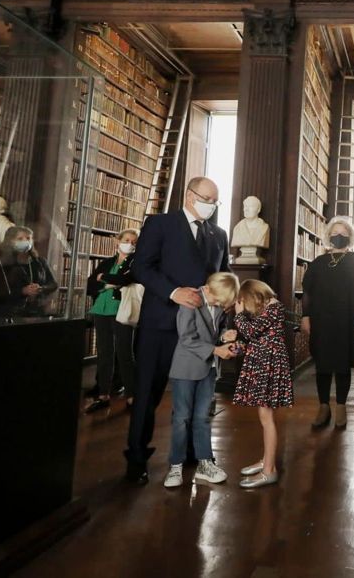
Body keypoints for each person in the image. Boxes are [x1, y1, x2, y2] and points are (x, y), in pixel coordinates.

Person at [127, 176, 230, 485]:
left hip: (199, 330)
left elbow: (224, 275)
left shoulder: (219, 235)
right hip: (160, 323)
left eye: (215, 201)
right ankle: (136, 458)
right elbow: (141, 267)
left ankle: (192, 455)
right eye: (206, 199)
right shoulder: (160, 224)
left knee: (196, 395)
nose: (210, 205)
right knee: (147, 392)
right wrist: (173, 293)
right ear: (189, 196)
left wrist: (227, 306)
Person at [164, 271, 240, 488]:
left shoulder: (218, 300)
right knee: (181, 418)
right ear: (208, 289)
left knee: (202, 418)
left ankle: (205, 463)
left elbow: (219, 327)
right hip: (186, 369)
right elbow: (187, 338)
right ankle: (176, 465)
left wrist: (225, 335)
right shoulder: (191, 301)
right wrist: (216, 349)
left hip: (208, 369)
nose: (218, 305)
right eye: (217, 300)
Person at [300, 216, 354, 429]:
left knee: (342, 366)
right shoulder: (318, 263)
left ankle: (341, 406)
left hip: (347, 319)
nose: (338, 236)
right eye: (335, 233)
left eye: (343, 233)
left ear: (350, 237)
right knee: (322, 365)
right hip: (321, 320)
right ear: (328, 236)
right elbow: (307, 293)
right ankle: (323, 406)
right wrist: (306, 316)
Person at [231, 279, 294, 488]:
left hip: (268, 368)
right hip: (262, 365)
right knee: (263, 417)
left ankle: (269, 470)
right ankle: (266, 460)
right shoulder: (267, 309)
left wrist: (239, 315)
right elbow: (254, 339)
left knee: (266, 418)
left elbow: (251, 332)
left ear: (255, 297)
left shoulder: (274, 308)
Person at [85, 228, 140, 414]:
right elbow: (89, 284)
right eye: (126, 240)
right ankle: (103, 396)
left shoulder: (136, 263)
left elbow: (125, 280)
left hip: (121, 311)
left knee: (125, 353)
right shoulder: (106, 262)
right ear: (118, 241)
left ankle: (132, 396)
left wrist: (103, 280)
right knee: (104, 352)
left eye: (134, 242)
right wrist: (109, 283)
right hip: (101, 309)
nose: (130, 244)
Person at [0, 225, 58, 317]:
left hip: (36, 311)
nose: (25, 241)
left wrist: (41, 289)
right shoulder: (3, 262)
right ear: (10, 241)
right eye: (20, 238)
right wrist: (23, 291)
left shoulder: (40, 262)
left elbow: (53, 284)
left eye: (28, 238)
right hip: (11, 313)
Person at [230, 195, 270, 264]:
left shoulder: (264, 228)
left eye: (250, 206)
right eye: (245, 206)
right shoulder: (237, 228)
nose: (246, 209)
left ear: (258, 209)